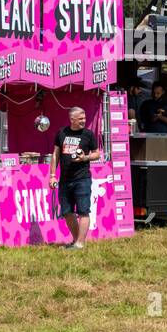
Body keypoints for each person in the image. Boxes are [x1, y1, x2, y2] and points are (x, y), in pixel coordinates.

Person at [48, 107, 101, 250]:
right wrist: (52, 175)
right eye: (81, 119)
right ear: (72, 119)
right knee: (67, 212)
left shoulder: (88, 134)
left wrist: (85, 157)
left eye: (84, 118)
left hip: (82, 179)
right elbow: (55, 154)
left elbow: (97, 154)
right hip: (64, 179)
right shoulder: (61, 133)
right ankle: (77, 240)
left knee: (83, 211)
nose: (84, 120)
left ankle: (79, 244)